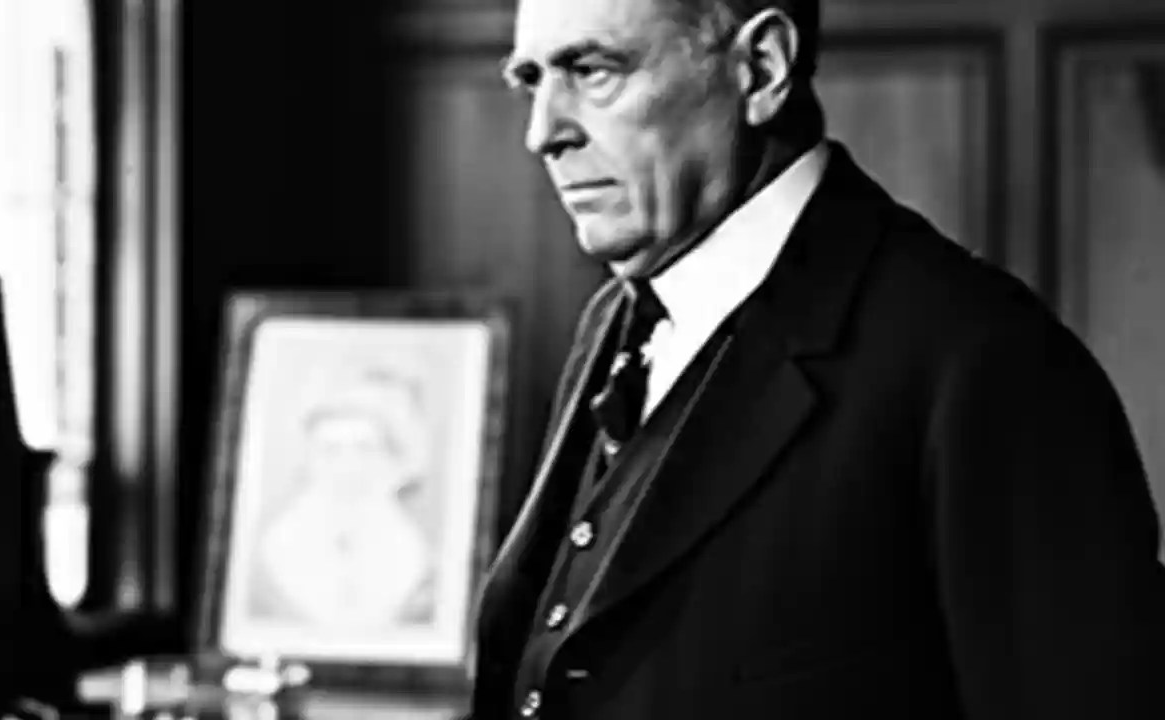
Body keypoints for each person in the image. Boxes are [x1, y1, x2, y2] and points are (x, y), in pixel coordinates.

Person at [467, 0, 1165, 718]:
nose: (542, 132)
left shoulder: (985, 360)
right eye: (530, 80)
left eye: (591, 70)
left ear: (761, 67)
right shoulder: (610, 324)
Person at [249, 368, 436, 632]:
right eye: (331, 451)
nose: (347, 466)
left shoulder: (414, 551)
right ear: (308, 461)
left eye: (364, 449)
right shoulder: (277, 545)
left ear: (390, 459)